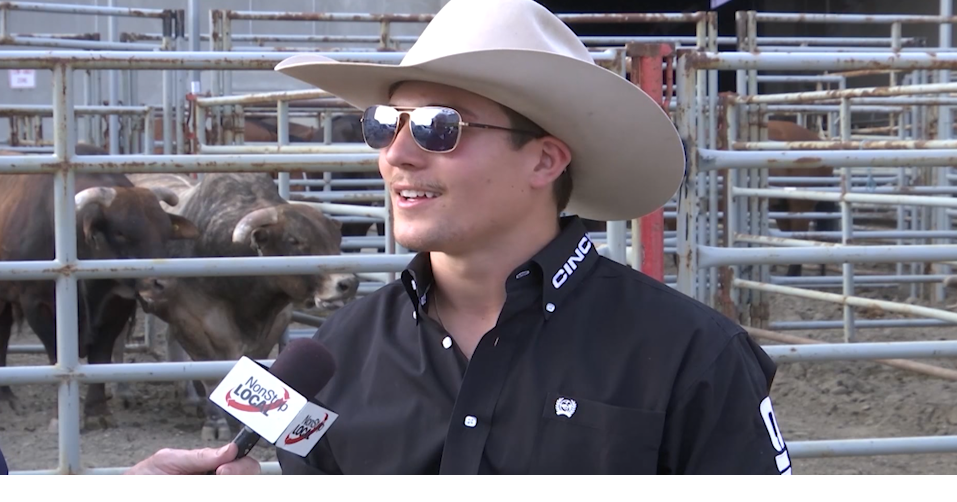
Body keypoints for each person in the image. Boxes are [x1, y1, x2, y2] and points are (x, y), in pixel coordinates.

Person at [129, 0, 791, 475]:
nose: (398, 154)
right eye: (385, 123)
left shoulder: (691, 360)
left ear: (544, 161)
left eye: (441, 127)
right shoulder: (334, 357)